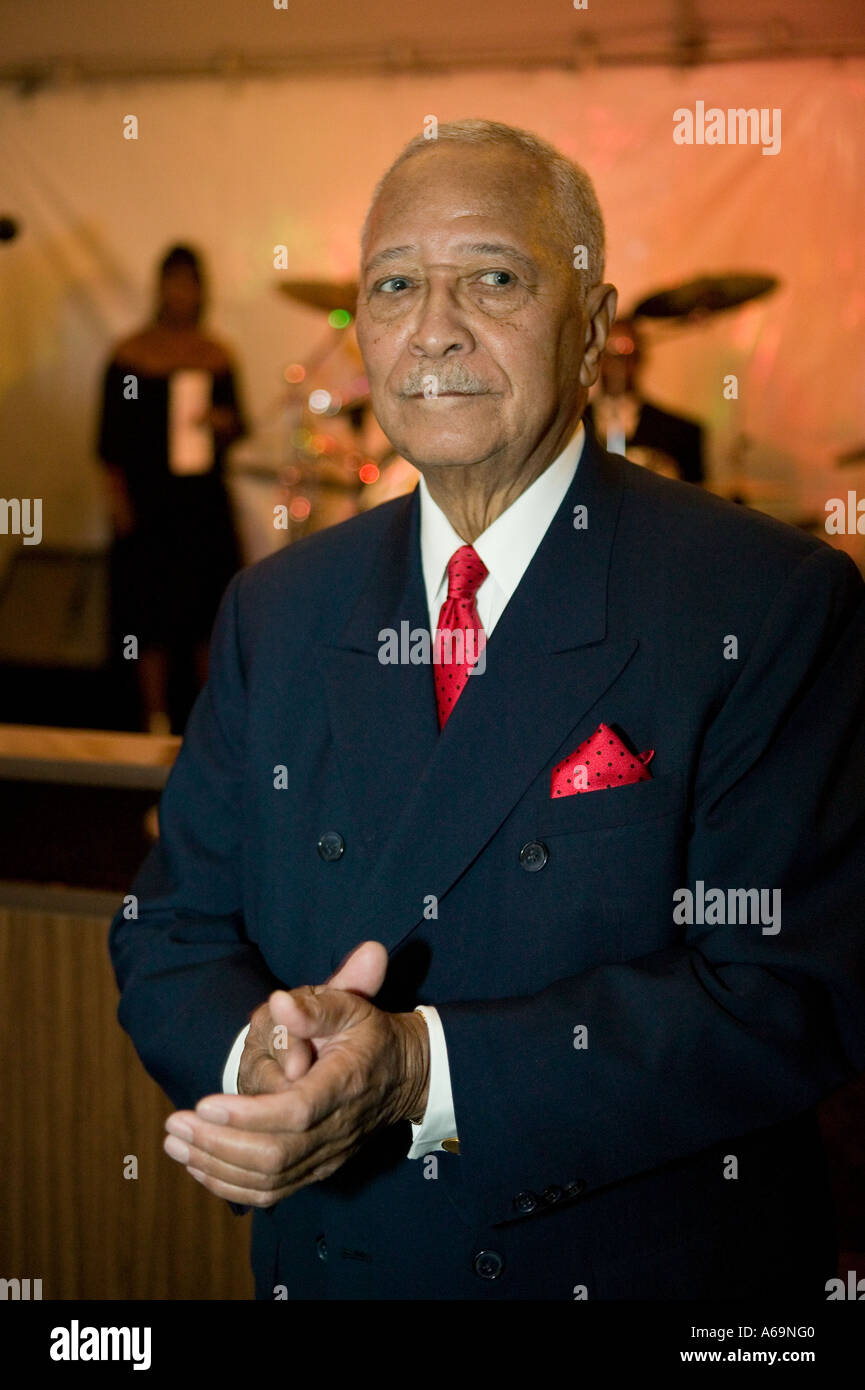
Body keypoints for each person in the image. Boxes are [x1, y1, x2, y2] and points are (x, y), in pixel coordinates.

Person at [109, 120, 865, 1300]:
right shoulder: (278, 609)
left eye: (493, 279)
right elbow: (170, 928)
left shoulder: (764, 602)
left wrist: (422, 1074)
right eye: (395, 284)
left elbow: (787, 990)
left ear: (595, 330)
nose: (434, 327)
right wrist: (256, 1058)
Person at [97, 244, 247, 733]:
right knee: (148, 616)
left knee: (208, 610)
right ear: (159, 286)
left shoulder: (216, 354)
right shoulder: (130, 355)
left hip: (200, 501)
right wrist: (118, 503)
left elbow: (237, 424)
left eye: (190, 282)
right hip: (148, 502)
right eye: (173, 281)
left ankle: (208, 722)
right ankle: (154, 717)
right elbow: (108, 441)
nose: (181, 292)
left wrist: (221, 422)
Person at [584, 316, 705, 482]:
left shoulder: (680, 433)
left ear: (639, 358)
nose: (617, 363)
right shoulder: (570, 427)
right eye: (608, 352)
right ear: (596, 358)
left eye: (625, 353)